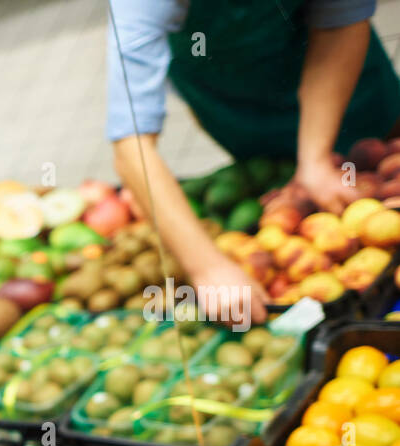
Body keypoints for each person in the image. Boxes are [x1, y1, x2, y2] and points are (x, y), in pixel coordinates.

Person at [106, 0, 400, 327]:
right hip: (232, 96)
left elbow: (340, 20)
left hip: (343, 82)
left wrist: (314, 159)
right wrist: (208, 267)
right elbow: (132, 144)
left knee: (379, 156)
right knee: (267, 172)